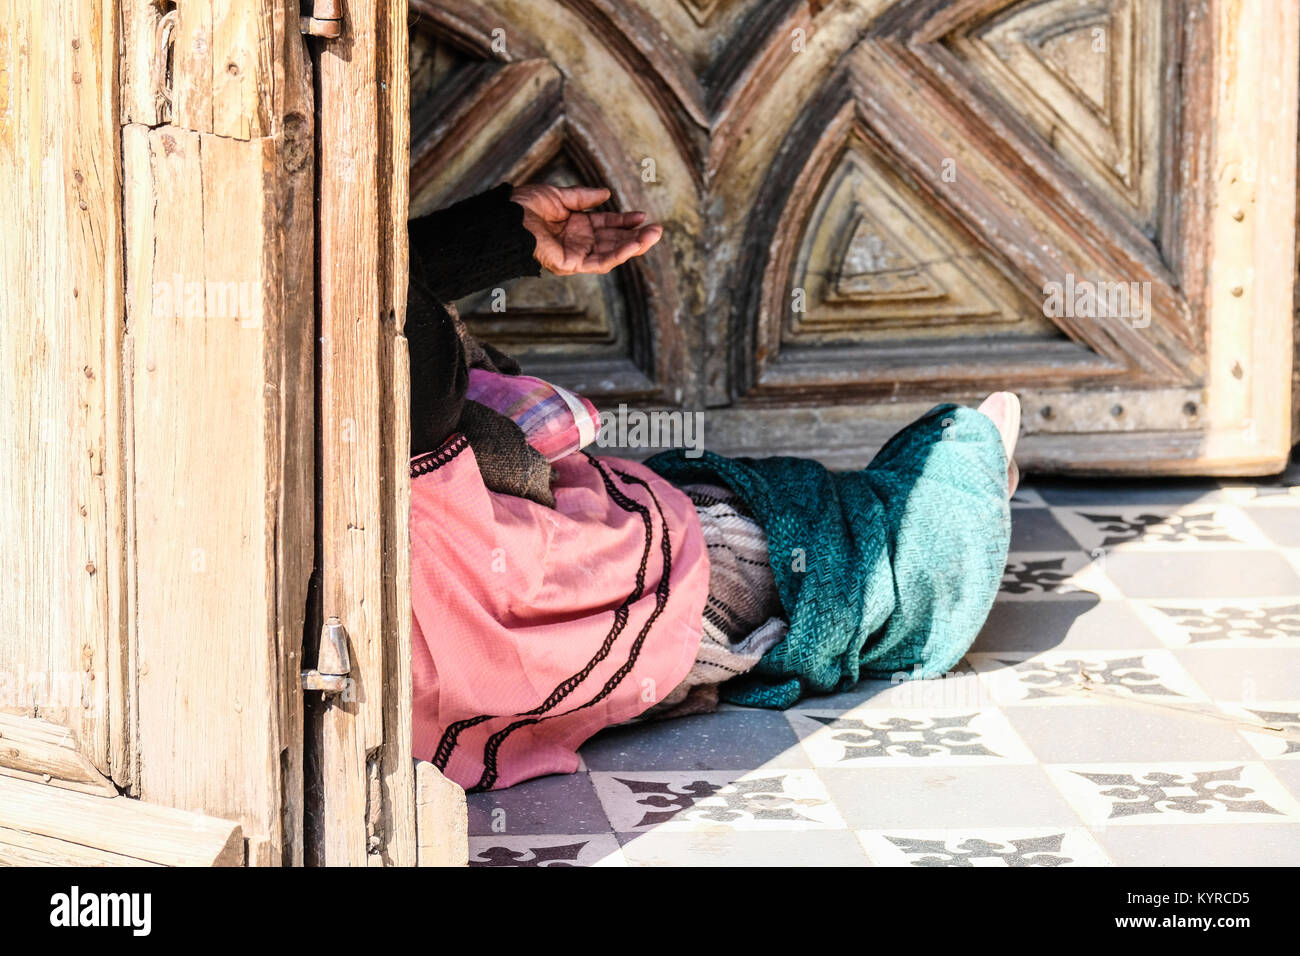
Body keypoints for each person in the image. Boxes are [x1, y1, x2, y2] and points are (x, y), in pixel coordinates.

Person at [406, 183, 1018, 791]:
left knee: (714, 523)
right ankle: (944, 516)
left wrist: (490, 240)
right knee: (762, 559)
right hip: (484, 585)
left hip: (480, 578)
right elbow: (408, 369)